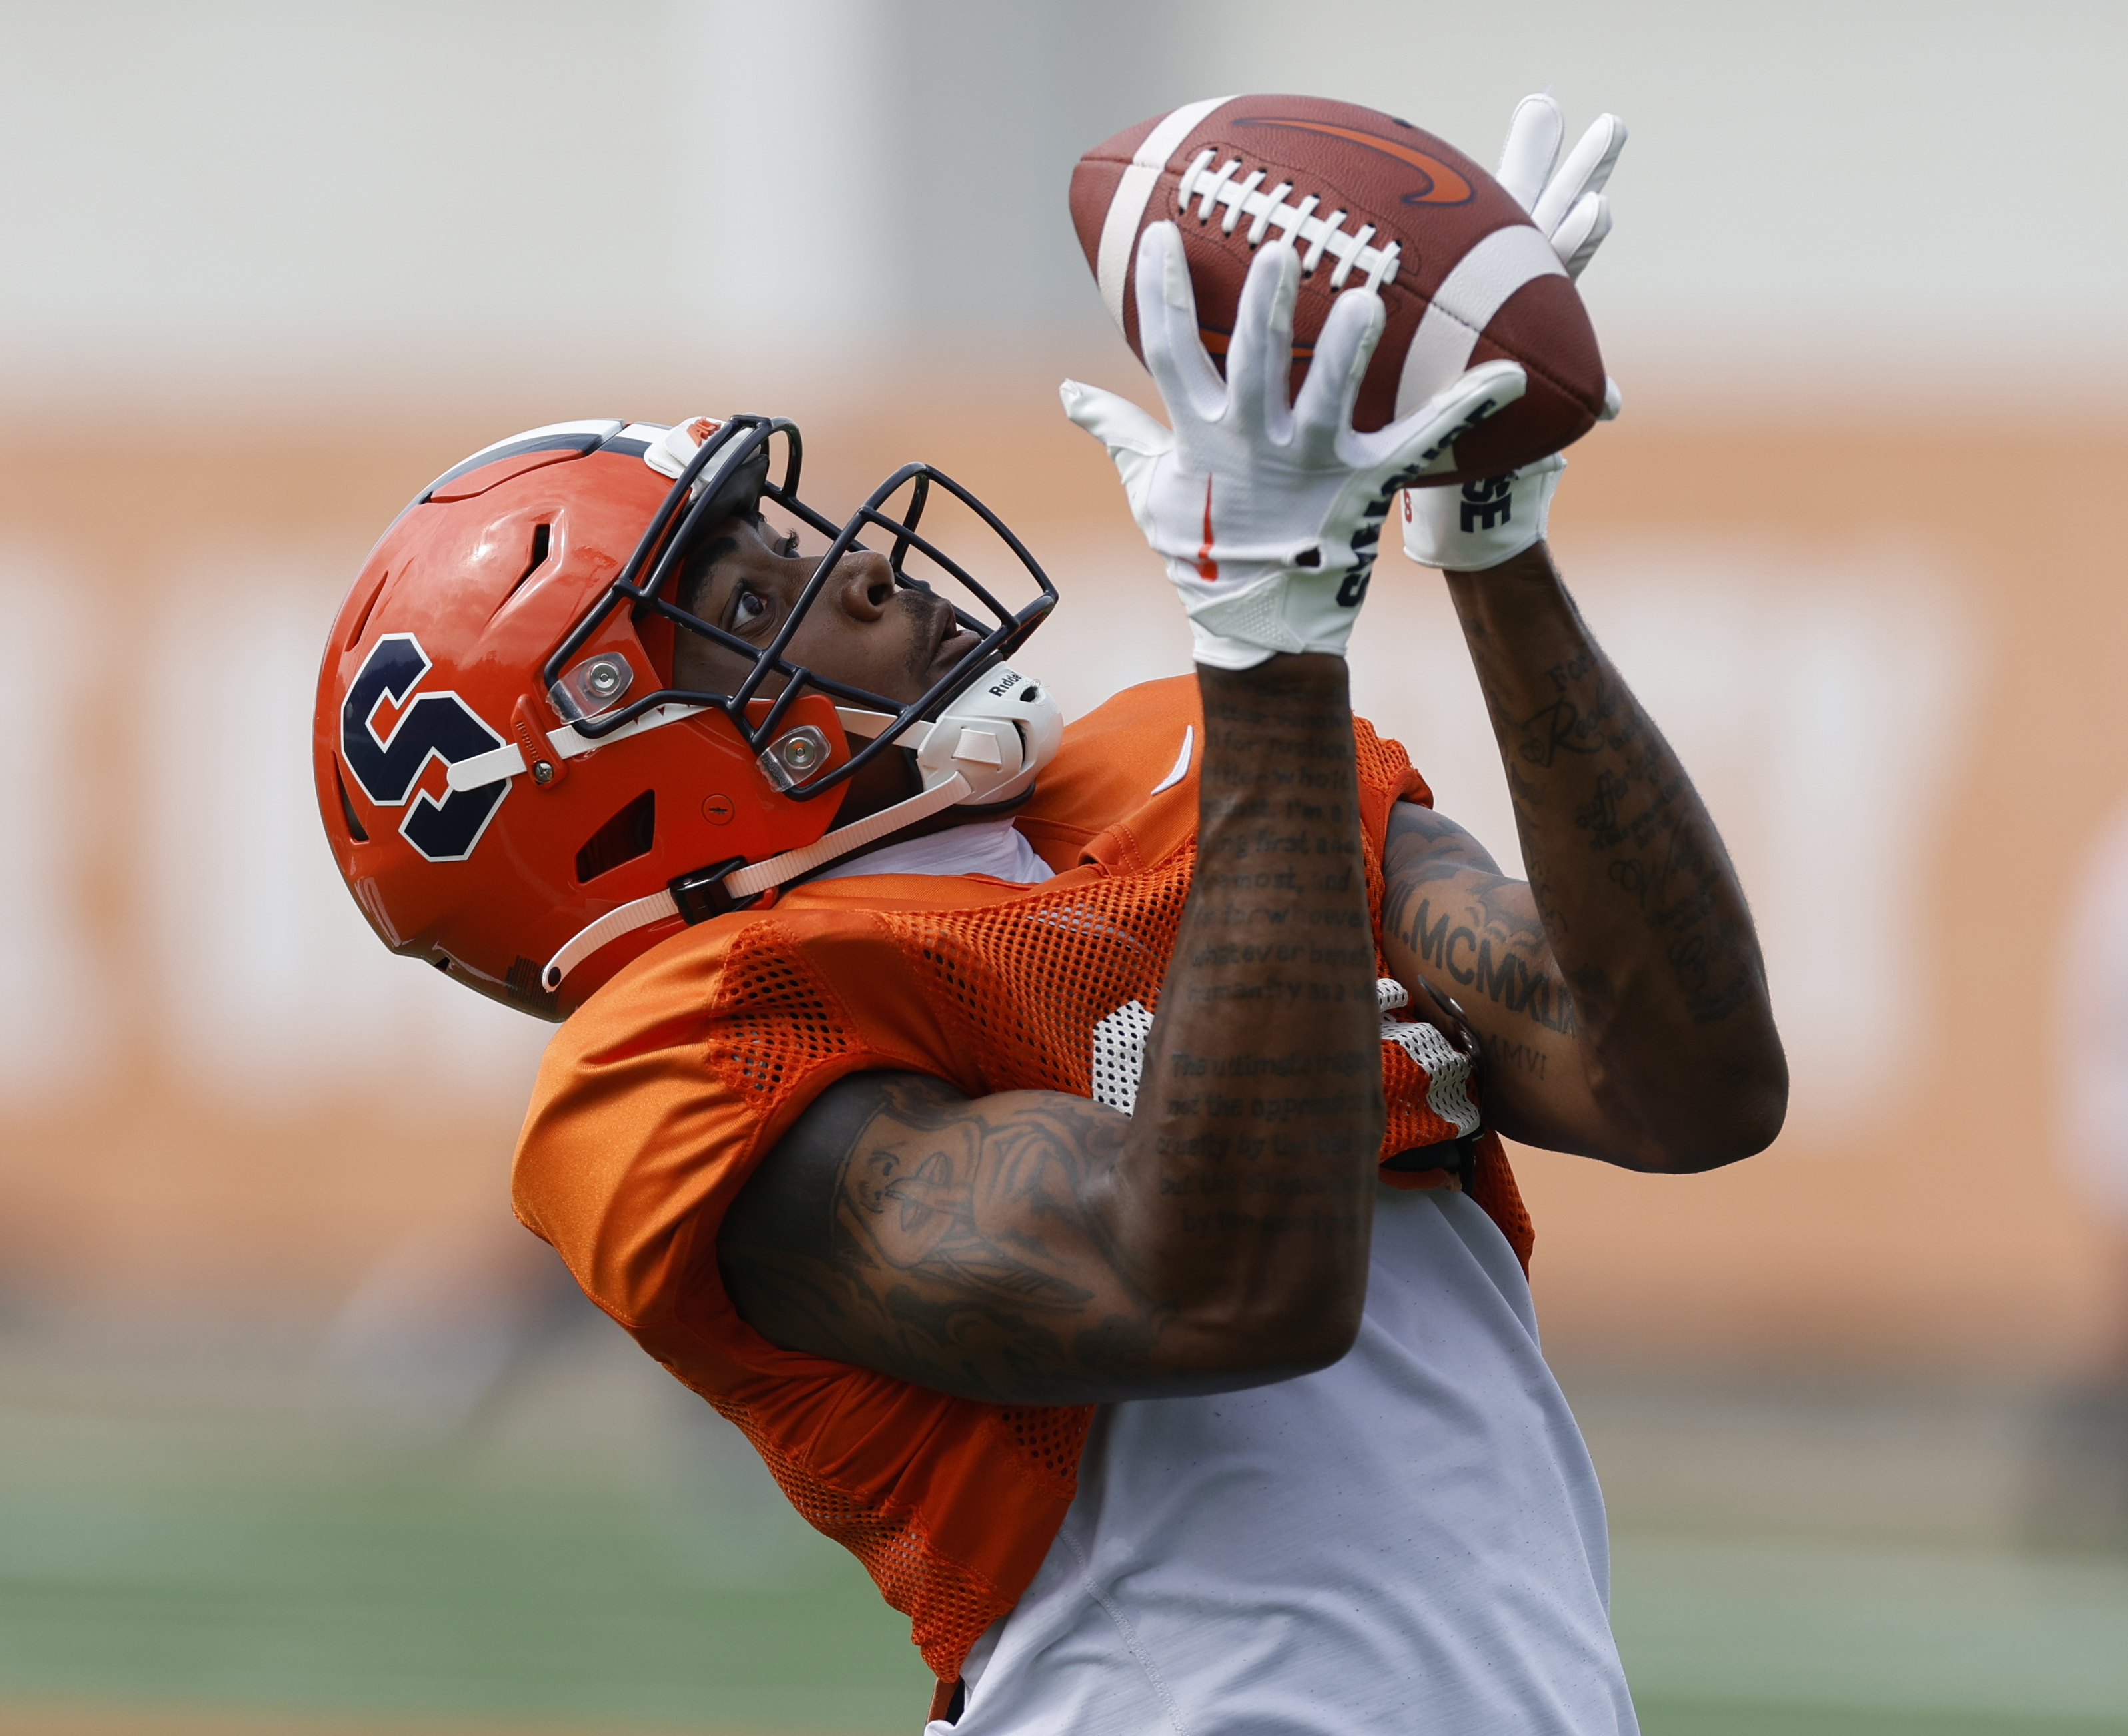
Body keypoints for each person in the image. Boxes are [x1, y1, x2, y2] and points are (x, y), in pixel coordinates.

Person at [313, 96, 1784, 1735]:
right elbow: (1220, 1284)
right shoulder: (684, 1054)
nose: (849, 572)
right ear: (620, 783)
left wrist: (1492, 539)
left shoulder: (1167, 772)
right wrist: (1272, 646)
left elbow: (1683, 1081)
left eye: (787, 539)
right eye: (742, 598)